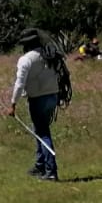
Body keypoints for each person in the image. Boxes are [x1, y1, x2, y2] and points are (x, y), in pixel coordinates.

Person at [7, 28, 69, 181]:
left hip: (37, 98)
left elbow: (19, 84)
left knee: (42, 133)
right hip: (53, 96)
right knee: (40, 129)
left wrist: (13, 103)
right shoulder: (50, 54)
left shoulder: (26, 59)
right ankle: (40, 165)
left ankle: (50, 171)